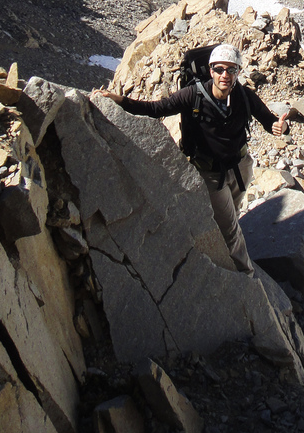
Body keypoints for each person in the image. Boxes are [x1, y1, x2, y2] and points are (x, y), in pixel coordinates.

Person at [92, 43, 288, 275]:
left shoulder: (244, 96)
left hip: (240, 167)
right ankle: (248, 276)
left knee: (232, 216)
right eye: (219, 69)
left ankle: (222, 251)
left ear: (238, 72)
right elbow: (155, 109)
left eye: (231, 70)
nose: (225, 75)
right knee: (232, 230)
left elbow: (269, 121)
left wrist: (280, 127)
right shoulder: (193, 95)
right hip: (211, 175)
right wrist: (118, 100)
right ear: (211, 70)